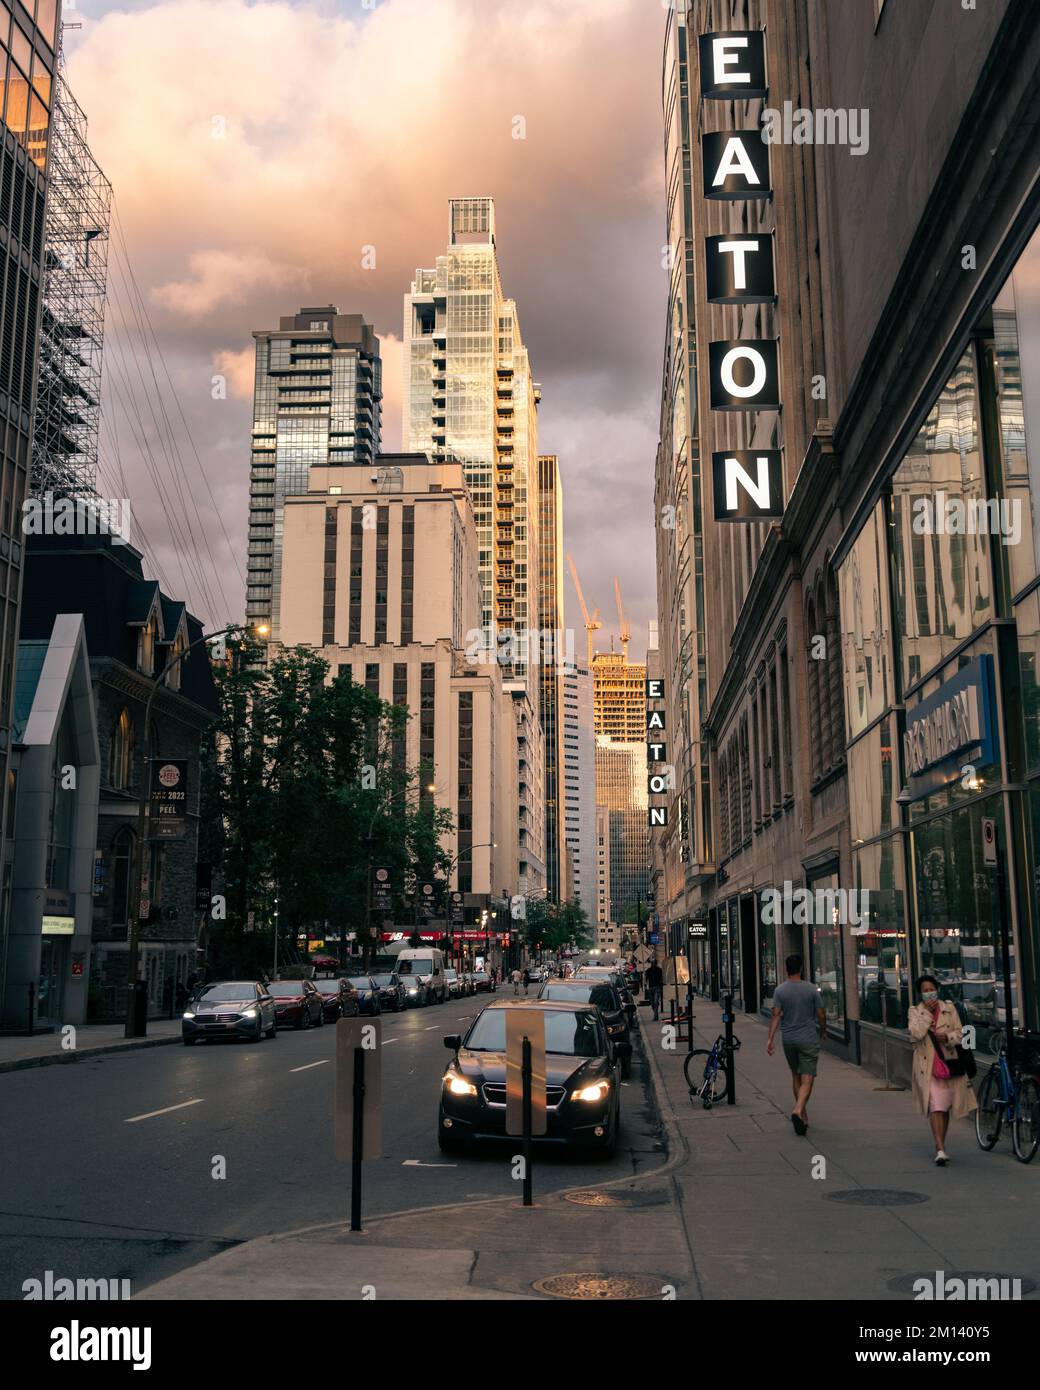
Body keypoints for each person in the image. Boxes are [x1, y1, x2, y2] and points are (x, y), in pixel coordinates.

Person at [908, 973, 977, 1165]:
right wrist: (928, 1014)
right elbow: (916, 1033)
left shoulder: (949, 1009)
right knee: (935, 1106)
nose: (929, 994)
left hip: (949, 1064)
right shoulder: (915, 1011)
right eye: (925, 991)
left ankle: (941, 1144)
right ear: (920, 994)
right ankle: (940, 1148)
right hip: (928, 1066)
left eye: (931, 990)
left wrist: (947, 1038)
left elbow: (961, 1033)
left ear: (937, 990)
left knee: (944, 1107)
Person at [766, 955, 826, 1135]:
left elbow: (776, 1015)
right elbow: (821, 1014)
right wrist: (823, 1030)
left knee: (795, 1075)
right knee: (808, 1078)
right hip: (808, 1038)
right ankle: (798, 1110)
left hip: (789, 1040)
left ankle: (804, 1117)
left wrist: (770, 1038)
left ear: (786, 969)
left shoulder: (780, 991)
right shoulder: (812, 989)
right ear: (800, 969)